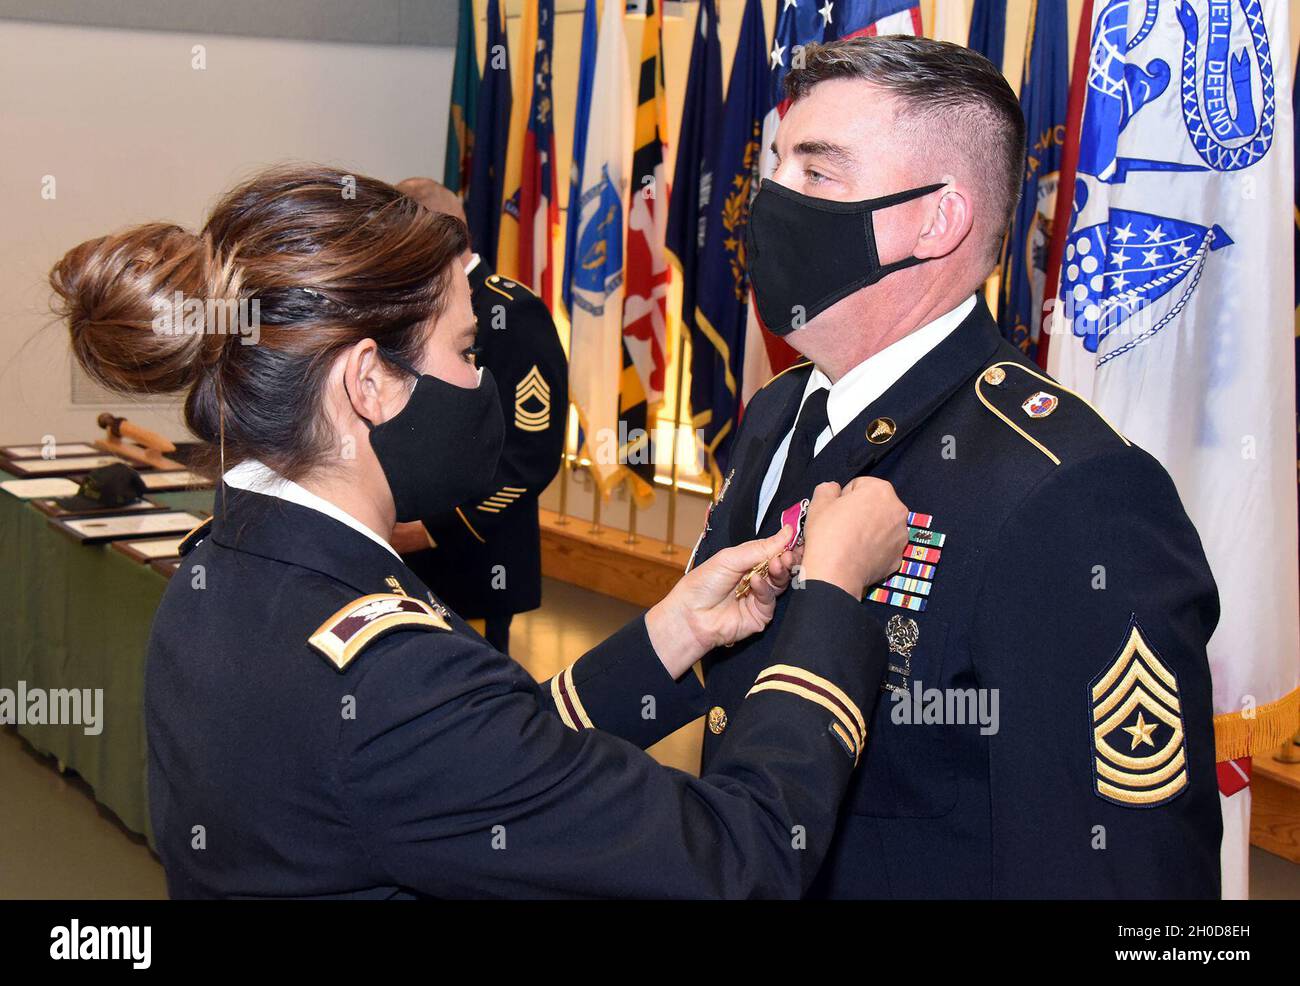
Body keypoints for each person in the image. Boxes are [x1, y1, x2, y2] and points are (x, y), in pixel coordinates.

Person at [49, 164, 911, 899]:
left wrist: (676, 631)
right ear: (369, 384)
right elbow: (741, 858)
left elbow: (492, 758)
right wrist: (831, 598)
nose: (480, 383)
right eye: (465, 353)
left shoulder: (230, 565)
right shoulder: (387, 673)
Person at [690, 37, 1223, 898]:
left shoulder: (1068, 493)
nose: (770, 199)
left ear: (938, 219)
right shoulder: (780, 414)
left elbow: (1124, 878)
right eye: (775, 163)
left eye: (816, 174)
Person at [389, 177, 565, 655]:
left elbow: (529, 456)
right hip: (402, 552)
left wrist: (433, 528)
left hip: (476, 558)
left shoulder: (513, 313)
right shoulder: (410, 307)